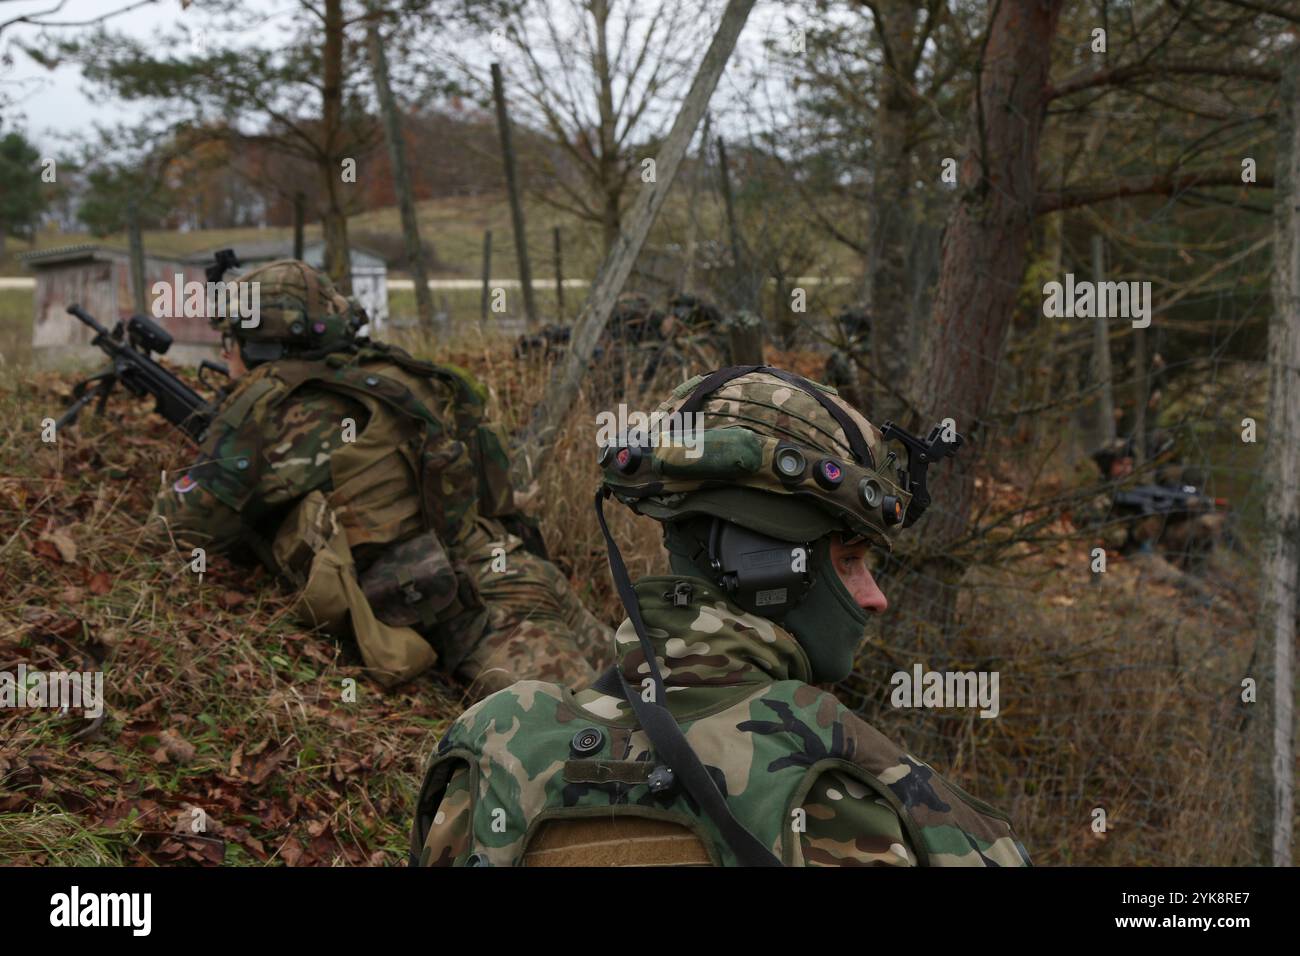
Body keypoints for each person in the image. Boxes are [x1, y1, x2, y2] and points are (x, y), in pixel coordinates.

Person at [410, 366, 1030, 866]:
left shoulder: (491, 747)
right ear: (766, 562)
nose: (874, 597)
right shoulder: (882, 789)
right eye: (849, 559)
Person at [151, 258, 612, 698]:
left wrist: (223, 435)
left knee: (592, 741)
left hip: (490, 615)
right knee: (657, 695)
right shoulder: (392, 374)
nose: (226, 356)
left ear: (257, 345)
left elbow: (178, 527)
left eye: (229, 343)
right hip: (521, 568)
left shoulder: (277, 416)